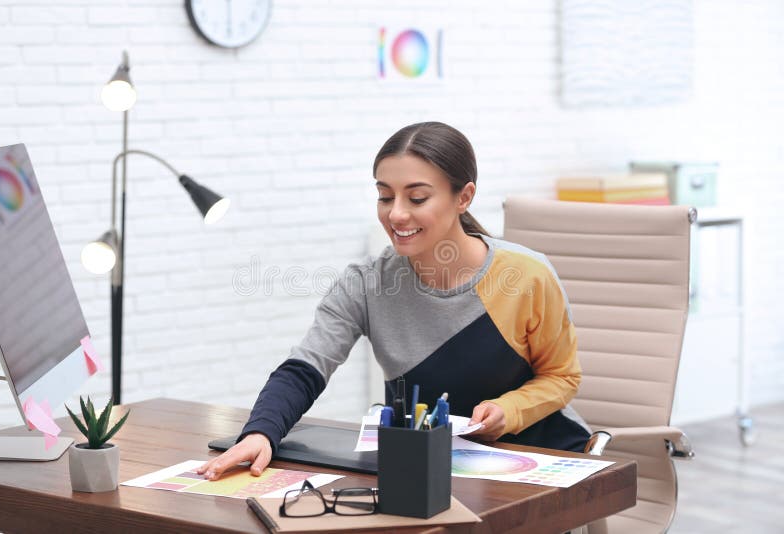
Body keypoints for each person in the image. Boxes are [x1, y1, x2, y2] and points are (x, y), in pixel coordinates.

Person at [197, 121, 590, 480]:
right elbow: (305, 366)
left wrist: (510, 410)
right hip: (433, 468)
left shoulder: (526, 275)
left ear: (464, 197)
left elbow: (562, 377)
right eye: (385, 197)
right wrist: (261, 432)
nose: (396, 214)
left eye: (417, 198)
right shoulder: (366, 282)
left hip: (539, 459)